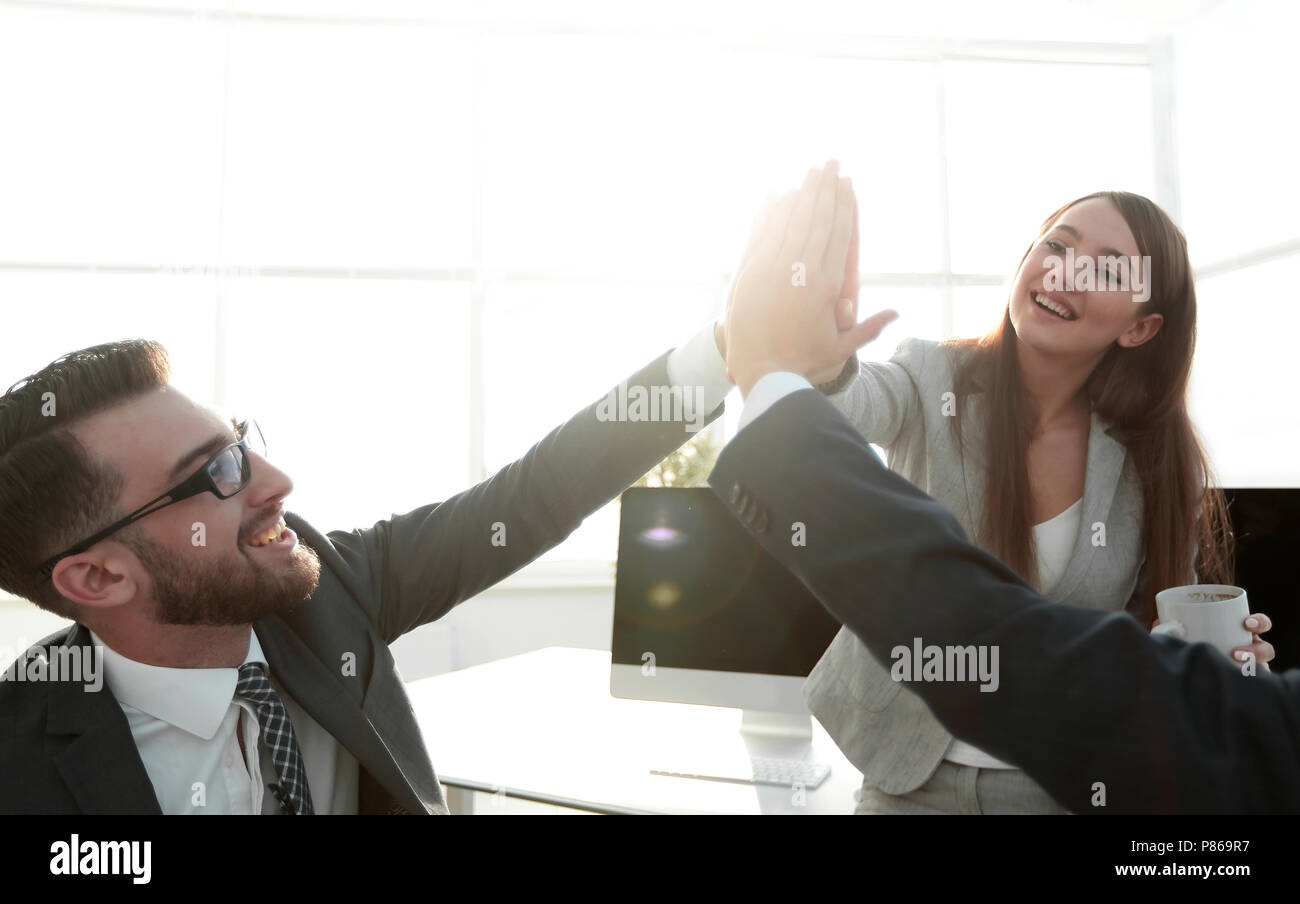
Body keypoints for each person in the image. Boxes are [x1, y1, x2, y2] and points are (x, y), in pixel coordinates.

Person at [710, 161, 1298, 814]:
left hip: (1058, 788)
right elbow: (849, 403)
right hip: (901, 776)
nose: (1063, 272)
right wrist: (810, 366)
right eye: (1058, 245)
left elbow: (1158, 639)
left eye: (1105, 270)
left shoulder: (1158, 460)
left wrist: (1224, 670)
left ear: (1141, 327)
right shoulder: (931, 374)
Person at [0, 331, 733, 814]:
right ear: (97, 579)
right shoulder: (21, 760)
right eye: (215, 475)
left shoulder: (332, 590)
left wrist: (727, 353)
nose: (277, 481)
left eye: (242, 443)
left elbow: (535, 496)